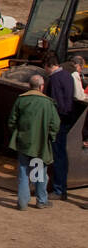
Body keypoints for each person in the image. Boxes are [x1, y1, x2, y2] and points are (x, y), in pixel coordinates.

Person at [8, 74, 60, 210]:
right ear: (42, 87)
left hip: (24, 142)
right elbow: (55, 124)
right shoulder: (48, 103)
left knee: (24, 172)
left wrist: (17, 134)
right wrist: (50, 137)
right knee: (39, 173)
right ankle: (41, 200)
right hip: (41, 144)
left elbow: (12, 121)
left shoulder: (21, 100)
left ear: (29, 85)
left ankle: (22, 203)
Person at [46, 57, 78, 201]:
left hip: (58, 122)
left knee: (57, 155)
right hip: (66, 120)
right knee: (61, 155)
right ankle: (60, 188)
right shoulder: (67, 75)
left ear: (48, 66)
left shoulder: (54, 79)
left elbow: (55, 102)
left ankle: (58, 189)